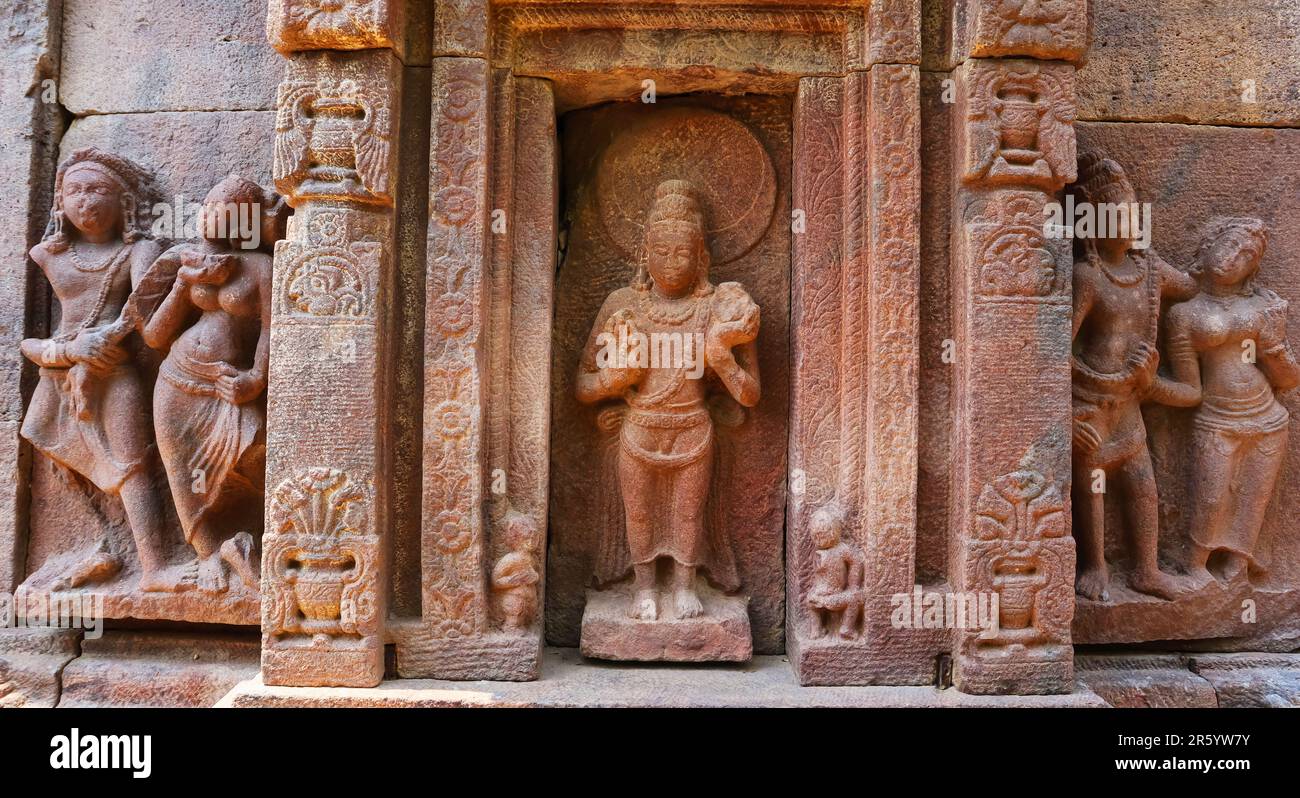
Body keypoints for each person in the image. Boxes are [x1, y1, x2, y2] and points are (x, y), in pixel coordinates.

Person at [576, 179, 760, 621]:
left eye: (682, 253)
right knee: (638, 517)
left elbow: (751, 395)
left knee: (688, 518)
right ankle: (642, 589)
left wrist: (722, 357)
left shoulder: (719, 308)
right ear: (644, 253)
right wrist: (613, 379)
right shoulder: (623, 305)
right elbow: (582, 385)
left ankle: (683, 586)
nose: (671, 263)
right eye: (661, 252)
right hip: (639, 428)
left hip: (693, 430)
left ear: (701, 256)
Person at [20, 148, 186, 592]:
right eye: (73, 191)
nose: (84, 201)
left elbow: (144, 317)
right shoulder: (45, 254)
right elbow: (24, 340)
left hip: (116, 372)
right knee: (63, 455)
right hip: (59, 372)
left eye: (96, 190)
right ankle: (104, 542)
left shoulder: (139, 250)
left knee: (132, 464)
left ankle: (154, 566)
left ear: (124, 203)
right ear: (59, 202)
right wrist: (69, 351)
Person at [142, 176, 273, 593]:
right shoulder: (187, 260)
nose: (212, 216)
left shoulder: (261, 267)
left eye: (227, 210)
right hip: (178, 380)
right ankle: (207, 554)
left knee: (258, 452)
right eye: (209, 205)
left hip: (228, 385)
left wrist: (256, 378)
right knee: (182, 470)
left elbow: (275, 329)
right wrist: (184, 281)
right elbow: (153, 336)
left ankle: (256, 539)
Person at [1163, 217, 1299, 584]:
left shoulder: (1261, 309)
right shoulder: (1183, 314)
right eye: (1230, 245)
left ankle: (1237, 568)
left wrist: (1274, 339)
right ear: (1207, 247)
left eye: (1247, 256)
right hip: (1216, 418)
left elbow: (1288, 379)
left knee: (1252, 500)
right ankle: (1194, 564)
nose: (1234, 258)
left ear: (1252, 270)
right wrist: (1145, 384)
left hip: (1268, 418)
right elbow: (1191, 391)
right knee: (1209, 498)